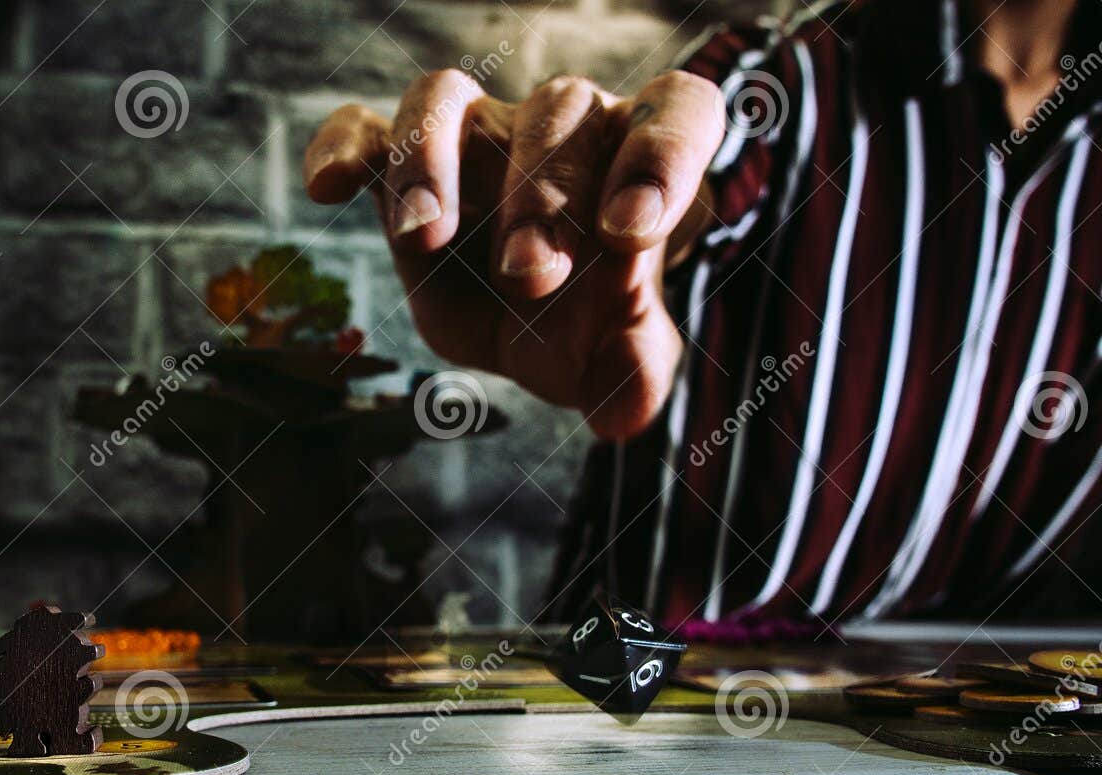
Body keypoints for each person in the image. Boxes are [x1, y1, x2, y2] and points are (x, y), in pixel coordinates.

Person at [304, 0, 1102, 627]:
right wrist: (604, 222)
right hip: (646, 698)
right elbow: (692, 193)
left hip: (966, 731)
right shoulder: (788, 74)